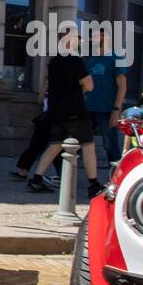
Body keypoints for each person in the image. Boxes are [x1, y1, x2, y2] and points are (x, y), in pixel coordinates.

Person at [28, 23, 103, 198]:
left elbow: (51, 84)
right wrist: (81, 85)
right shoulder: (76, 60)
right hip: (75, 108)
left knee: (55, 144)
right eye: (78, 37)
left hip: (56, 109)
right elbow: (90, 86)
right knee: (88, 145)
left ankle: (36, 178)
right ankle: (94, 184)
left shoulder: (53, 61)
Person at [82, 23, 127, 171]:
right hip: (88, 108)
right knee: (79, 142)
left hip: (107, 109)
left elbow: (122, 85)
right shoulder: (91, 60)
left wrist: (116, 109)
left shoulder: (117, 58)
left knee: (111, 146)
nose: (92, 39)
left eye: (95, 35)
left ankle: (115, 180)